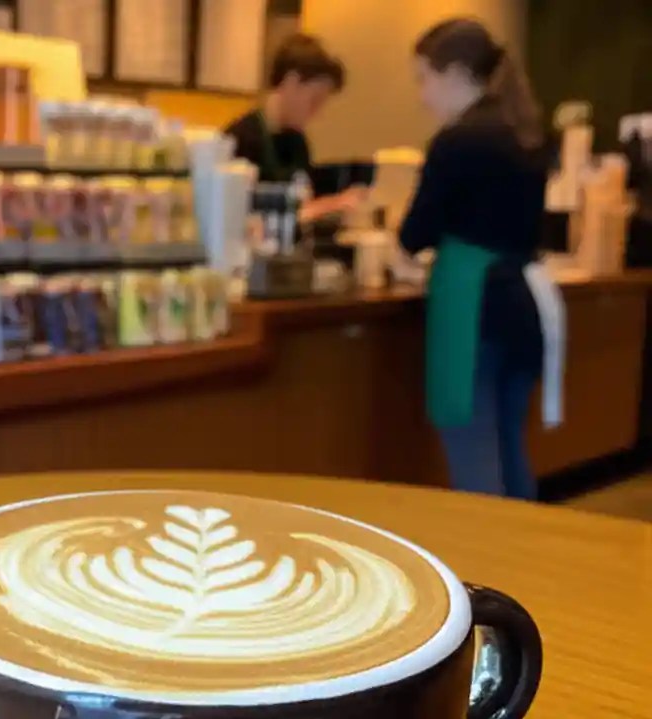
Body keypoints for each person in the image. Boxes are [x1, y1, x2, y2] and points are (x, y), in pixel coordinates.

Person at [401, 18, 564, 500]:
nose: (422, 94)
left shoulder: (458, 140)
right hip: (524, 302)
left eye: (424, 79)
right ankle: (521, 564)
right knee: (511, 449)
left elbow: (415, 233)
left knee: (474, 459)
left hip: (474, 307)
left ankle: (486, 572)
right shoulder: (525, 129)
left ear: (454, 72)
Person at [224, 34, 364, 220]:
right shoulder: (240, 140)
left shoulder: (297, 141)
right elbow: (247, 218)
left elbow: (304, 203)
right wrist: (333, 204)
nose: (317, 113)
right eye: (314, 101)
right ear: (291, 82)